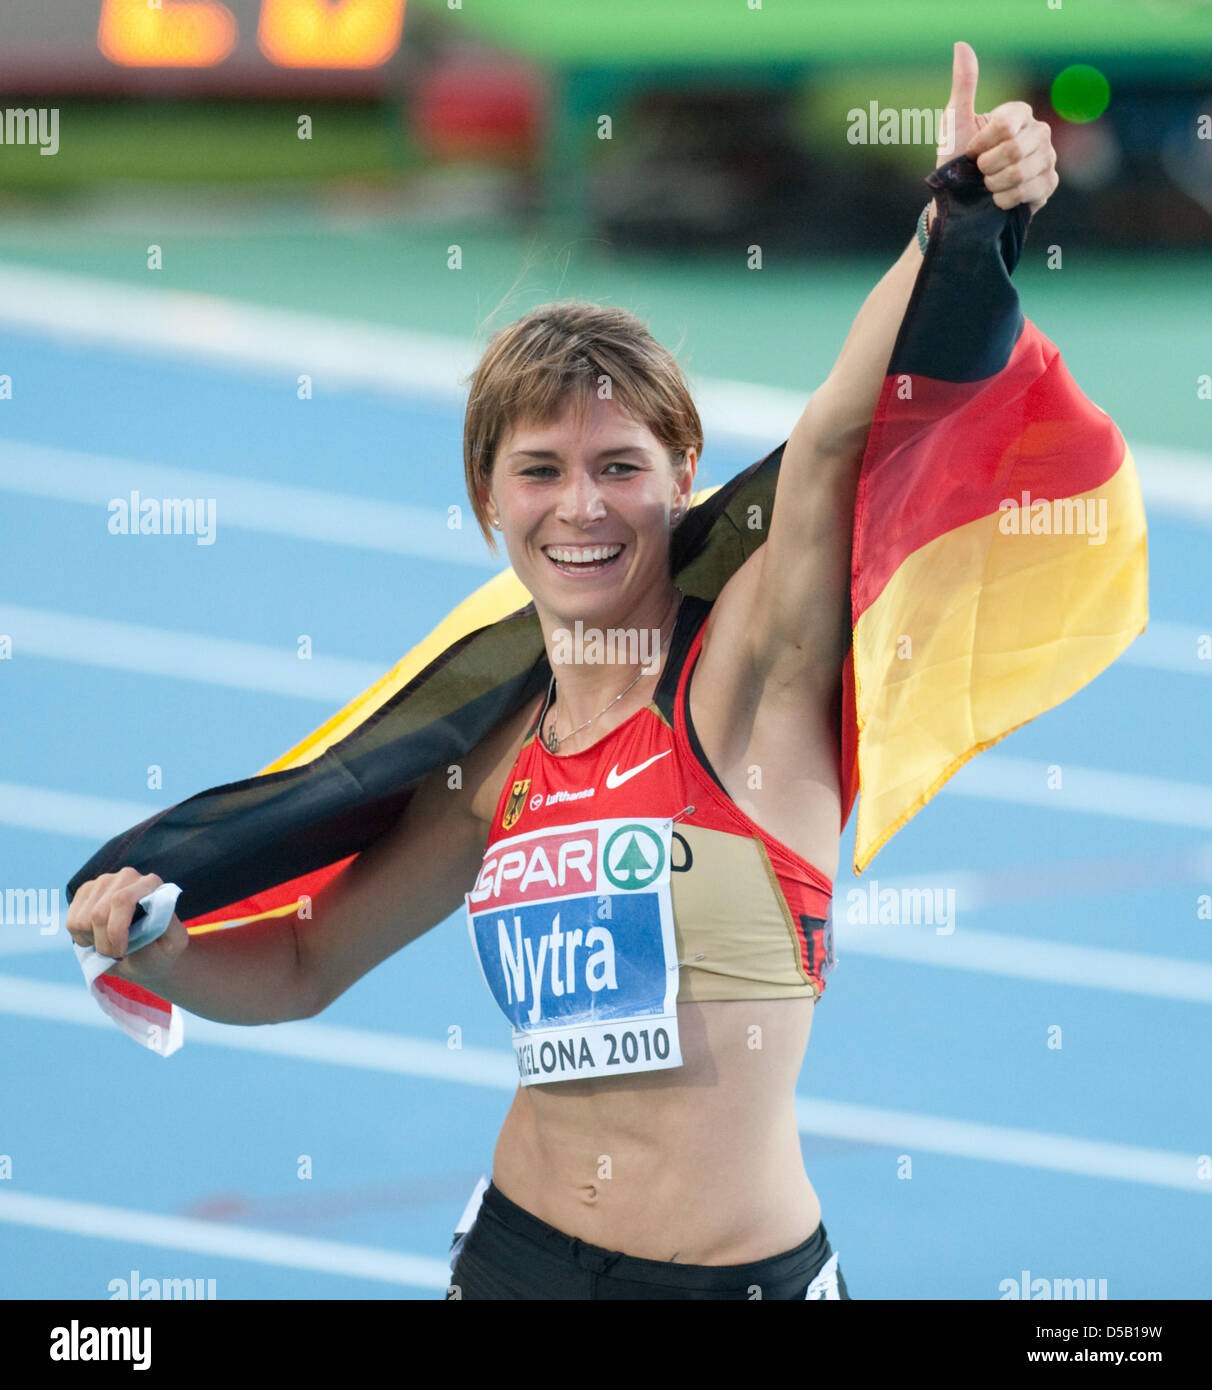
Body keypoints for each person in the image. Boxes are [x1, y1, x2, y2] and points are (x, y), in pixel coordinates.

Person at [65, 44, 1058, 1300]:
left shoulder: (748, 672)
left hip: (731, 1280)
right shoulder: (495, 753)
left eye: (620, 466)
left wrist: (954, 221)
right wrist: (159, 949)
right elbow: (307, 966)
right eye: (540, 470)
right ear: (488, 500)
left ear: (684, 476)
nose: (580, 508)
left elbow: (840, 437)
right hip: (518, 1260)